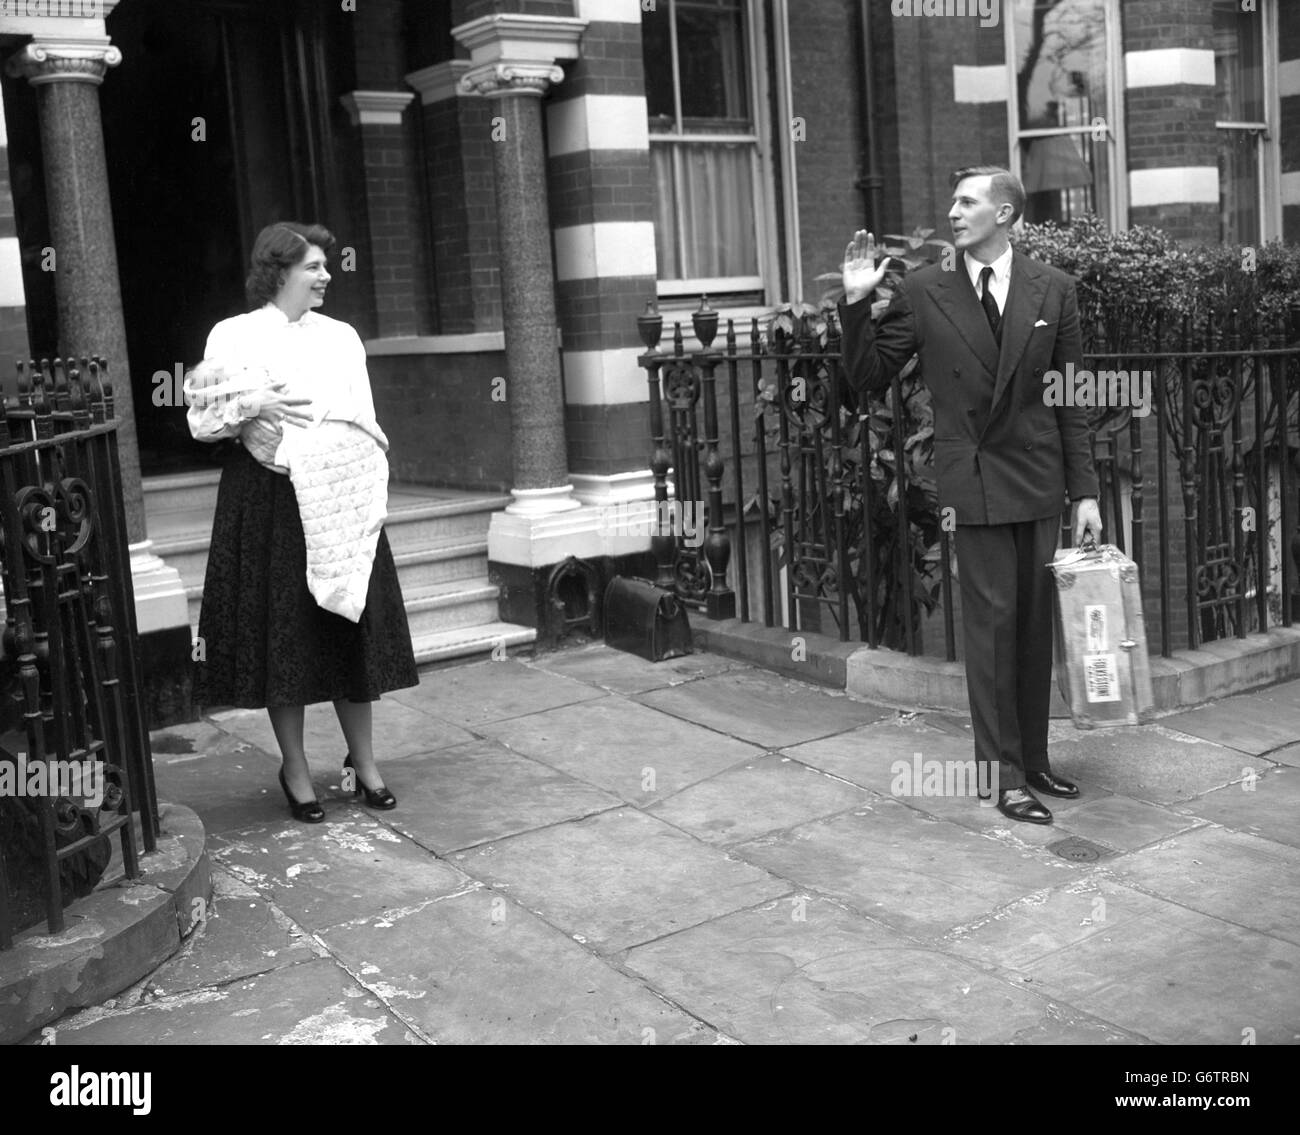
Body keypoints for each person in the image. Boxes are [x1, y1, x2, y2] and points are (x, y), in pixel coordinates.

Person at [839, 166, 1103, 824]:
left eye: (967, 202)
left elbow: (1072, 398)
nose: (953, 212)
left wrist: (1086, 493)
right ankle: (1002, 775)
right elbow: (867, 379)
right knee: (990, 629)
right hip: (976, 482)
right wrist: (853, 305)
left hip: (1040, 479)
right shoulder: (926, 290)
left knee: (1034, 627)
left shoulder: (1054, 289)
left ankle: (1034, 758)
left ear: (1006, 214)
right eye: (952, 200)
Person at [187, 221, 419, 822]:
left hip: (338, 494)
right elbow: (204, 423)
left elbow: (366, 419)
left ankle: (363, 763)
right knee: (283, 637)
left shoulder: (342, 337)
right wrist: (252, 403)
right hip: (266, 498)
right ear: (279, 270)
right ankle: (295, 770)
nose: (325, 275)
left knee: (348, 629)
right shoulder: (233, 336)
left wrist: (367, 484)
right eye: (314, 266)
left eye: (325, 265)